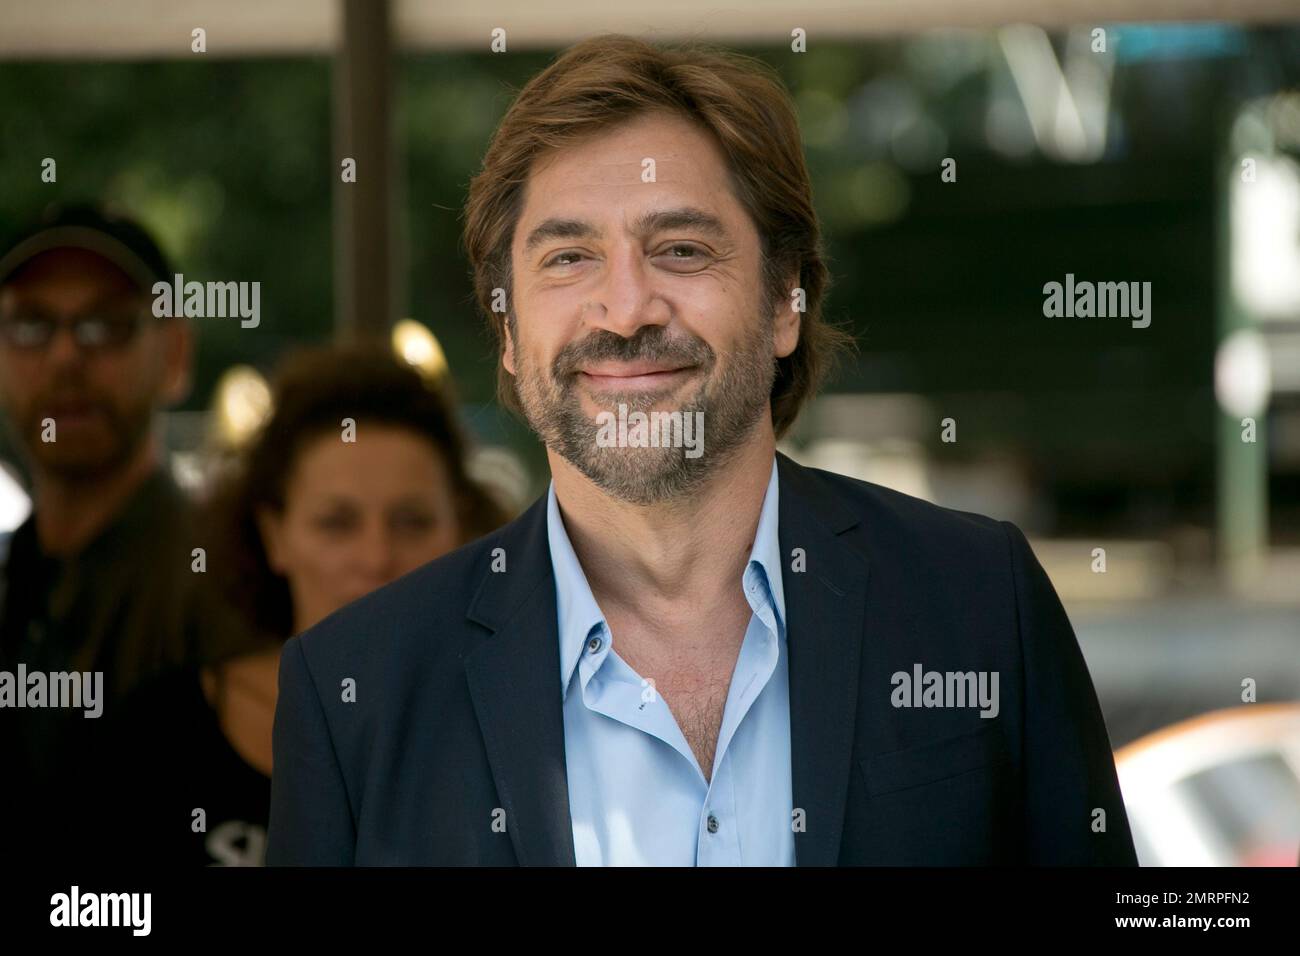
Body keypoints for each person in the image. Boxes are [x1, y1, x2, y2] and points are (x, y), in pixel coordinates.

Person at [267, 35, 1138, 866]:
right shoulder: (356, 689)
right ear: (506, 327)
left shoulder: (981, 603)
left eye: (680, 249)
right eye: (568, 257)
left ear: (785, 300)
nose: (626, 308)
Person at [101, 345, 510, 864]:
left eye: (412, 521)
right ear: (274, 536)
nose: (377, 557)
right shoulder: (155, 742)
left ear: (463, 531)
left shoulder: (518, 738)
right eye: (336, 523)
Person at [0, 204, 261, 862]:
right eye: (31, 325)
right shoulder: (19, 572)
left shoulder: (229, 581)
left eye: (107, 325)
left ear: (174, 353)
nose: (65, 357)